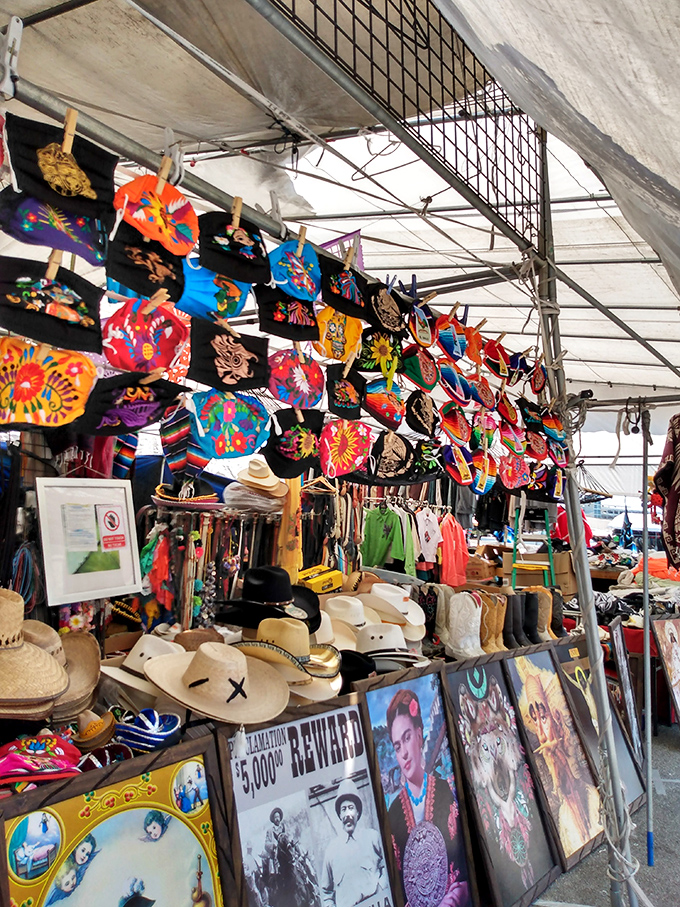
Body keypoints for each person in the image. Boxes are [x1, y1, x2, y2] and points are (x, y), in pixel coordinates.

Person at [386, 689, 470, 907]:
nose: (404, 753)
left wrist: (460, 893)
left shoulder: (445, 791)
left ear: (419, 734)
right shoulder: (393, 814)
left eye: (407, 738)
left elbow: (466, 864)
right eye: (397, 746)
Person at [321, 779, 385, 907]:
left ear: (358, 813)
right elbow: (326, 894)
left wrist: (381, 888)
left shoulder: (372, 837)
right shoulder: (331, 851)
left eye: (351, 808)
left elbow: (387, 868)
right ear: (340, 815)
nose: (347, 814)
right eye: (343, 809)